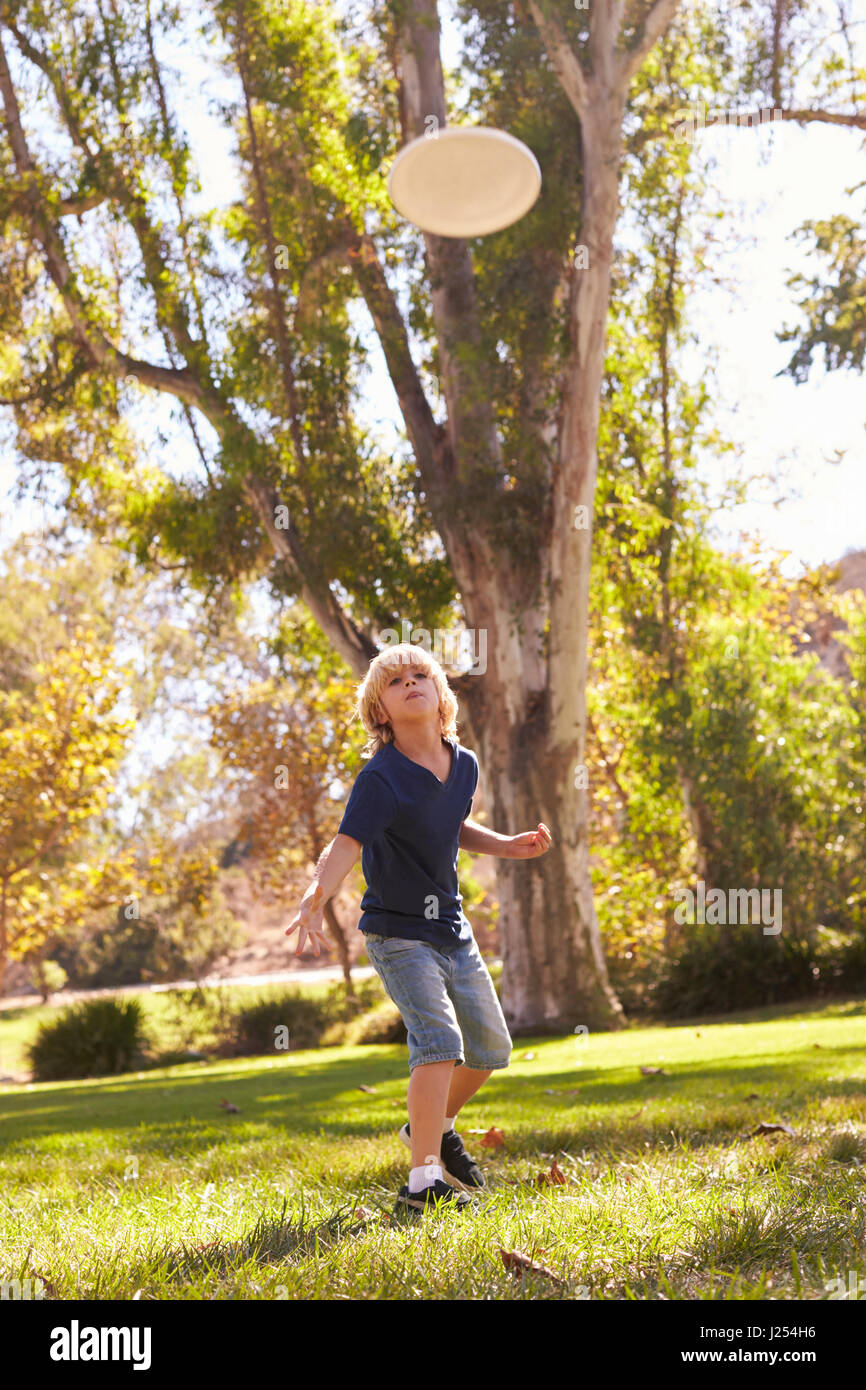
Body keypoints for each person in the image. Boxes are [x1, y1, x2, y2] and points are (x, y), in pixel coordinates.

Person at [285, 642, 552, 1215]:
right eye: (395, 680)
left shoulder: (465, 765)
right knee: (438, 1044)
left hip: (452, 930)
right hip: (398, 934)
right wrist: (316, 891)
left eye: (420, 675)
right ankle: (422, 1181)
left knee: (490, 1048)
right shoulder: (380, 779)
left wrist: (507, 845)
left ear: (441, 697)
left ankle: (433, 1128)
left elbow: (452, 824)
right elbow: (346, 844)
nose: (410, 682)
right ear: (380, 710)